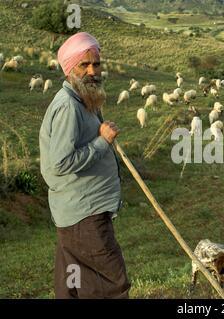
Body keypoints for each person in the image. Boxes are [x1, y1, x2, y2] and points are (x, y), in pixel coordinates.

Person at [39, 32, 130, 298]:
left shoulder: (83, 101)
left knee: (75, 285)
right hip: (85, 216)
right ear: (70, 70)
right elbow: (61, 162)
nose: (92, 71)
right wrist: (103, 142)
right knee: (112, 284)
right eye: (84, 65)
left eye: (96, 64)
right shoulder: (69, 107)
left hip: (77, 215)